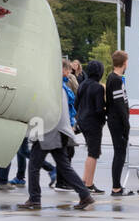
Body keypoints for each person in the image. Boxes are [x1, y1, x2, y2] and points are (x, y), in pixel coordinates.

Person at [23, 76, 95, 210]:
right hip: (59, 130)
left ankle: (34, 198)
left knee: (34, 165)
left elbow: (42, 110)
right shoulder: (60, 88)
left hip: (49, 130)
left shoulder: (48, 88)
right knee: (64, 167)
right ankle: (85, 195)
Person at [76, 59, 106, 193]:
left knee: (91, 151)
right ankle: (89, 184)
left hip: (82, 121)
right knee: (93, 153)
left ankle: (85, 179)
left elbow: (76, 104)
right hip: (93, 123)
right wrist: (104, 118)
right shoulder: (98, 87)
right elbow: (99, 109)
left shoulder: (82, 84)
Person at [105, 50, 132, 196]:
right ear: (124, 62)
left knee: (120, 153)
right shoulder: (115, 79)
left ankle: (117, 185)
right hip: (117, 121)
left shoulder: (114, 78)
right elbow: (119, 104)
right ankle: (116, 187)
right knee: (119, 153)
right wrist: (126, 124)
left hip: (115, 119)